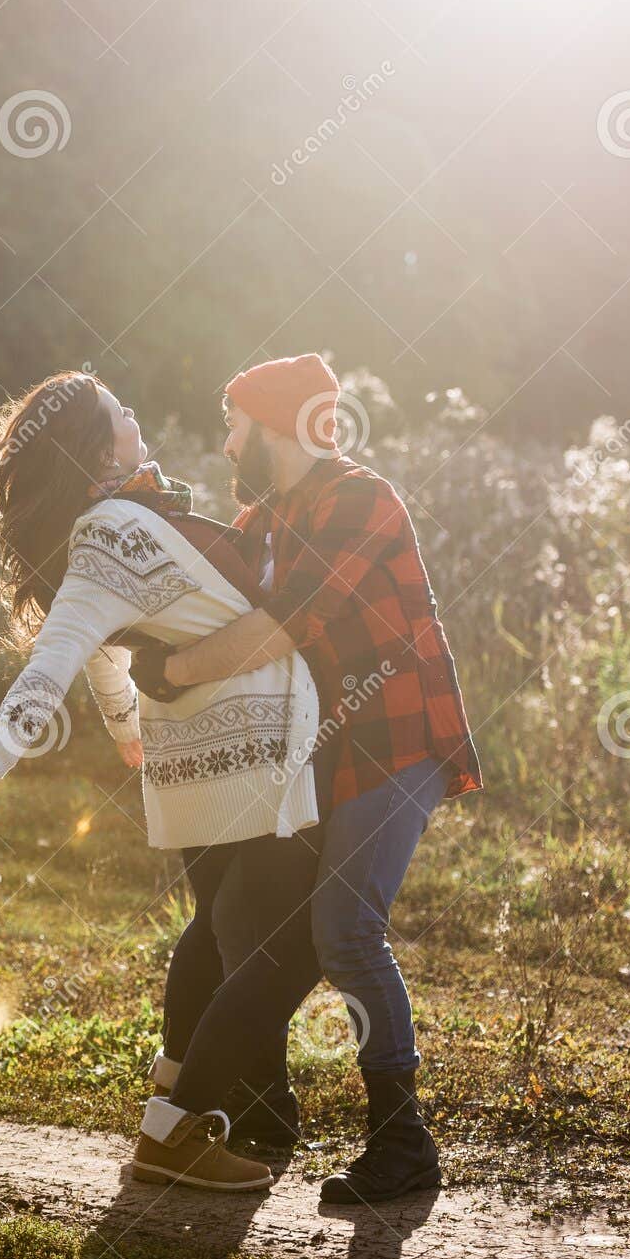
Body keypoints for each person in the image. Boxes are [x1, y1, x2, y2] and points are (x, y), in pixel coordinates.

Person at [0, 368, 325, 1191]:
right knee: (286, 945)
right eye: (119, 412)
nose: (137, 414)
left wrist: (131, 733)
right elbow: (56, 657)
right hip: (252, 756)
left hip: (191, 761)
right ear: (97, 449)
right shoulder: (110, 530)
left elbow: (99, 653)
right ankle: (174, 1134)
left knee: (214, 929)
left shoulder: (108, 529)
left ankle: (189, 1089)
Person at [131, 353, 483, 1203]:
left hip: (397, 744)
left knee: (345, 932)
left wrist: (173, 670)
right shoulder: (267, 515)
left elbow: (283, 623)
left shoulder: (361, 497)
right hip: (319, 752)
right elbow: (215, 584)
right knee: (254, 921)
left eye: (232, 425)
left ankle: (403, 1146)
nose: (223, 445)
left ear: (274, 424)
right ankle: (260, 1108)